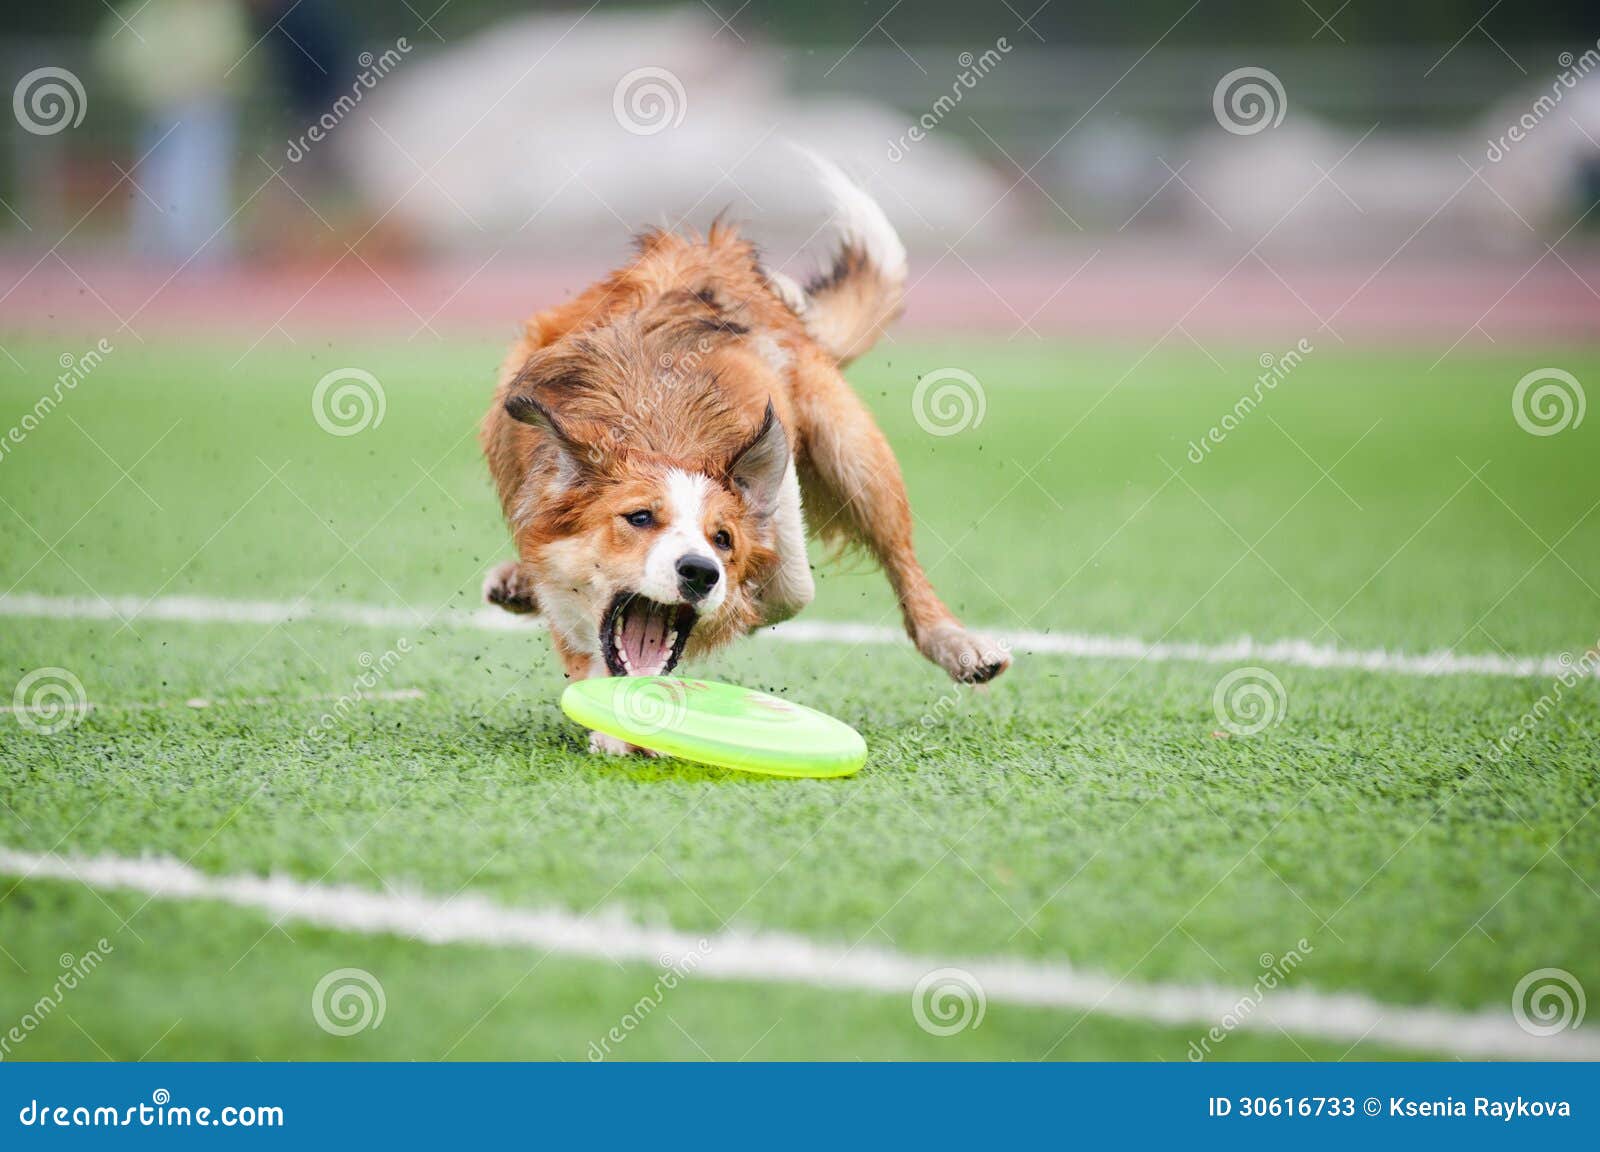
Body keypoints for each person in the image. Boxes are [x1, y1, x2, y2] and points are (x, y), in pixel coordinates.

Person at [95, 0, 251, 263]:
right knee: (160, 179)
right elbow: (117, 55)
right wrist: (156, 88)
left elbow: (234, 56)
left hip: (205, 110)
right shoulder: (149, 13)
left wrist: (203, 84)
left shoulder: (215, 13)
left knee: (200, 179)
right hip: (160, 110)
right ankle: (160, 253)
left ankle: (200, 255)